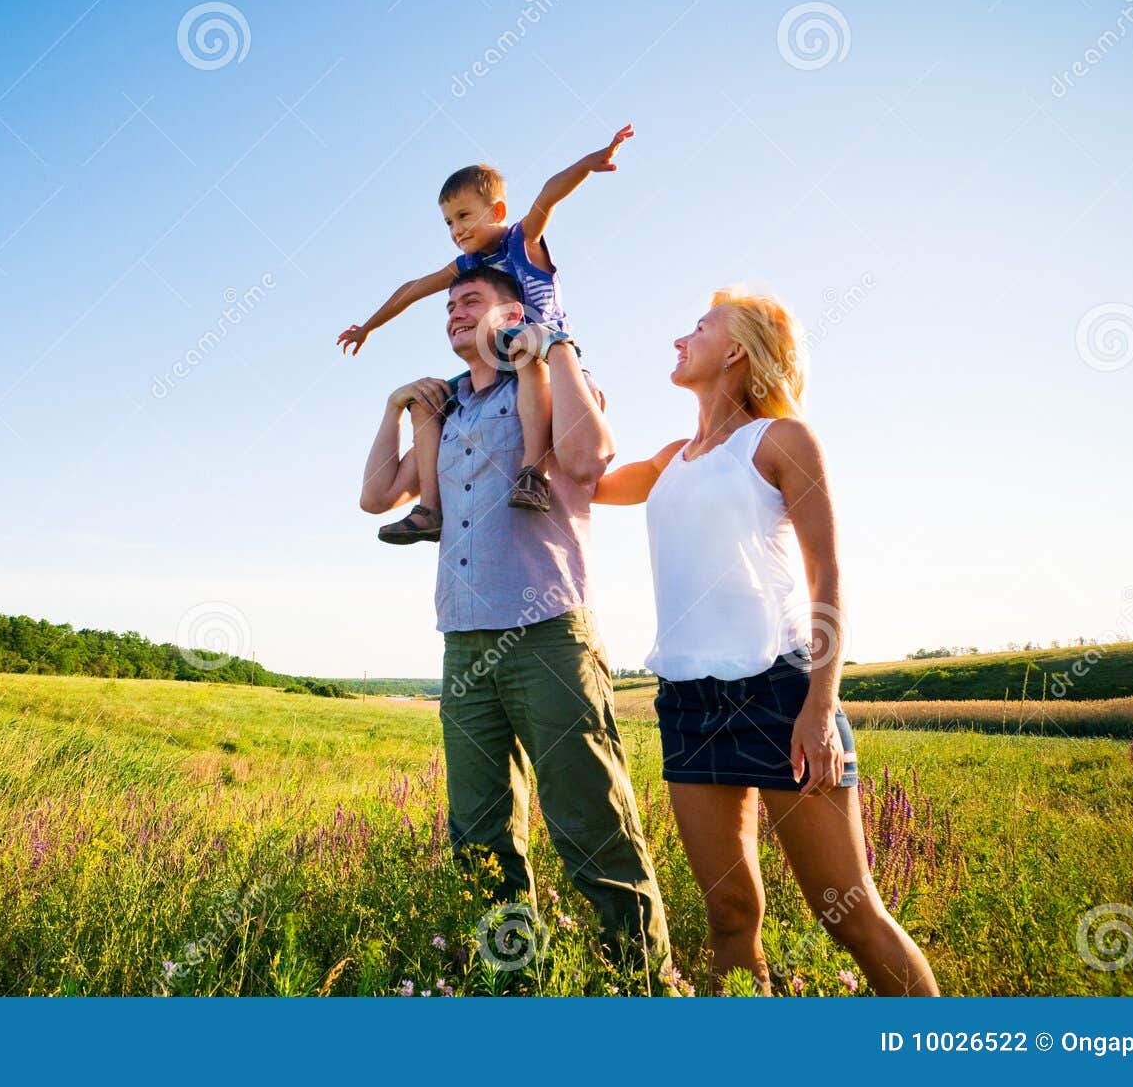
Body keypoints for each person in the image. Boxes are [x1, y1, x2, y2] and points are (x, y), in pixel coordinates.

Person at [593, 287, 939, 996]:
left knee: (850, 914)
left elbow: (828, 573)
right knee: (729, 915)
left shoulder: (781, 441)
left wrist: (820, 706)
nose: (679, 339)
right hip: (687, 703)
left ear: (736, 351)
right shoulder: (669, 461)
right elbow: (581, 481)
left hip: (782, 695)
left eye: (698, 326)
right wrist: (562, 376)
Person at [359, 265, 671, 983]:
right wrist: (394, 405)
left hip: (548, 632)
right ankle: (514, 984)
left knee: (592, 824)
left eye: (469, 300)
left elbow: (592, 458)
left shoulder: (552, 380)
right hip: (462, 642)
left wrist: (549, 347)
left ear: (510, 312)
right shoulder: (450, 411)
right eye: (446, 307)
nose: (452, 314)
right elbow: (376, 495)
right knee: (480, 838)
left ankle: (645, 987)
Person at [339, 124, 634, 540]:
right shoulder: (467, 267)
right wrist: (369, 326)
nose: (456, 230)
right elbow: (413, 288)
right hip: (498, 363)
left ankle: (532, 470)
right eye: (448, 223)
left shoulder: (521, 241)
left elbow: (548, 194)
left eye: (463, 216)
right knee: (429, 400)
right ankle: (430, 510)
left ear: (496, 211)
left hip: (544, 352)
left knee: (523, 352)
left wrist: (588, 163)